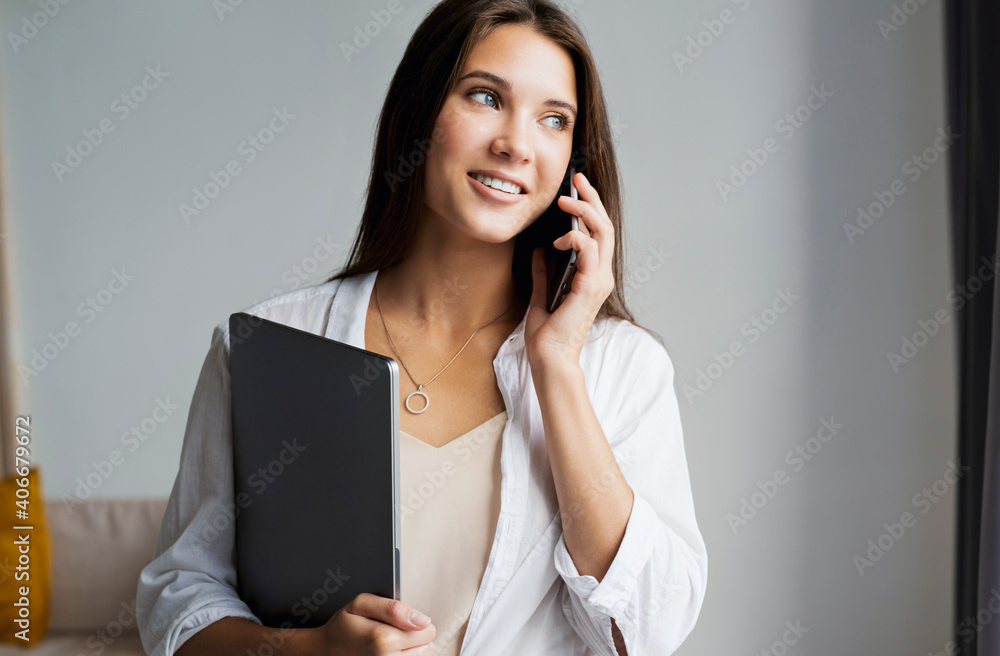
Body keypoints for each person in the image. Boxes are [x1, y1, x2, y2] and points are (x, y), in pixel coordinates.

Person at [136, 0, 708, 654]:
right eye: (485, 97)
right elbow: (177, 601)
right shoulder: (267, 346)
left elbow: (647, 632)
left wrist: (558, 370)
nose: (517, 144)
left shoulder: (622, 369)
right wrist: (313, 652)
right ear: (418, 115)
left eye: (555, 119)